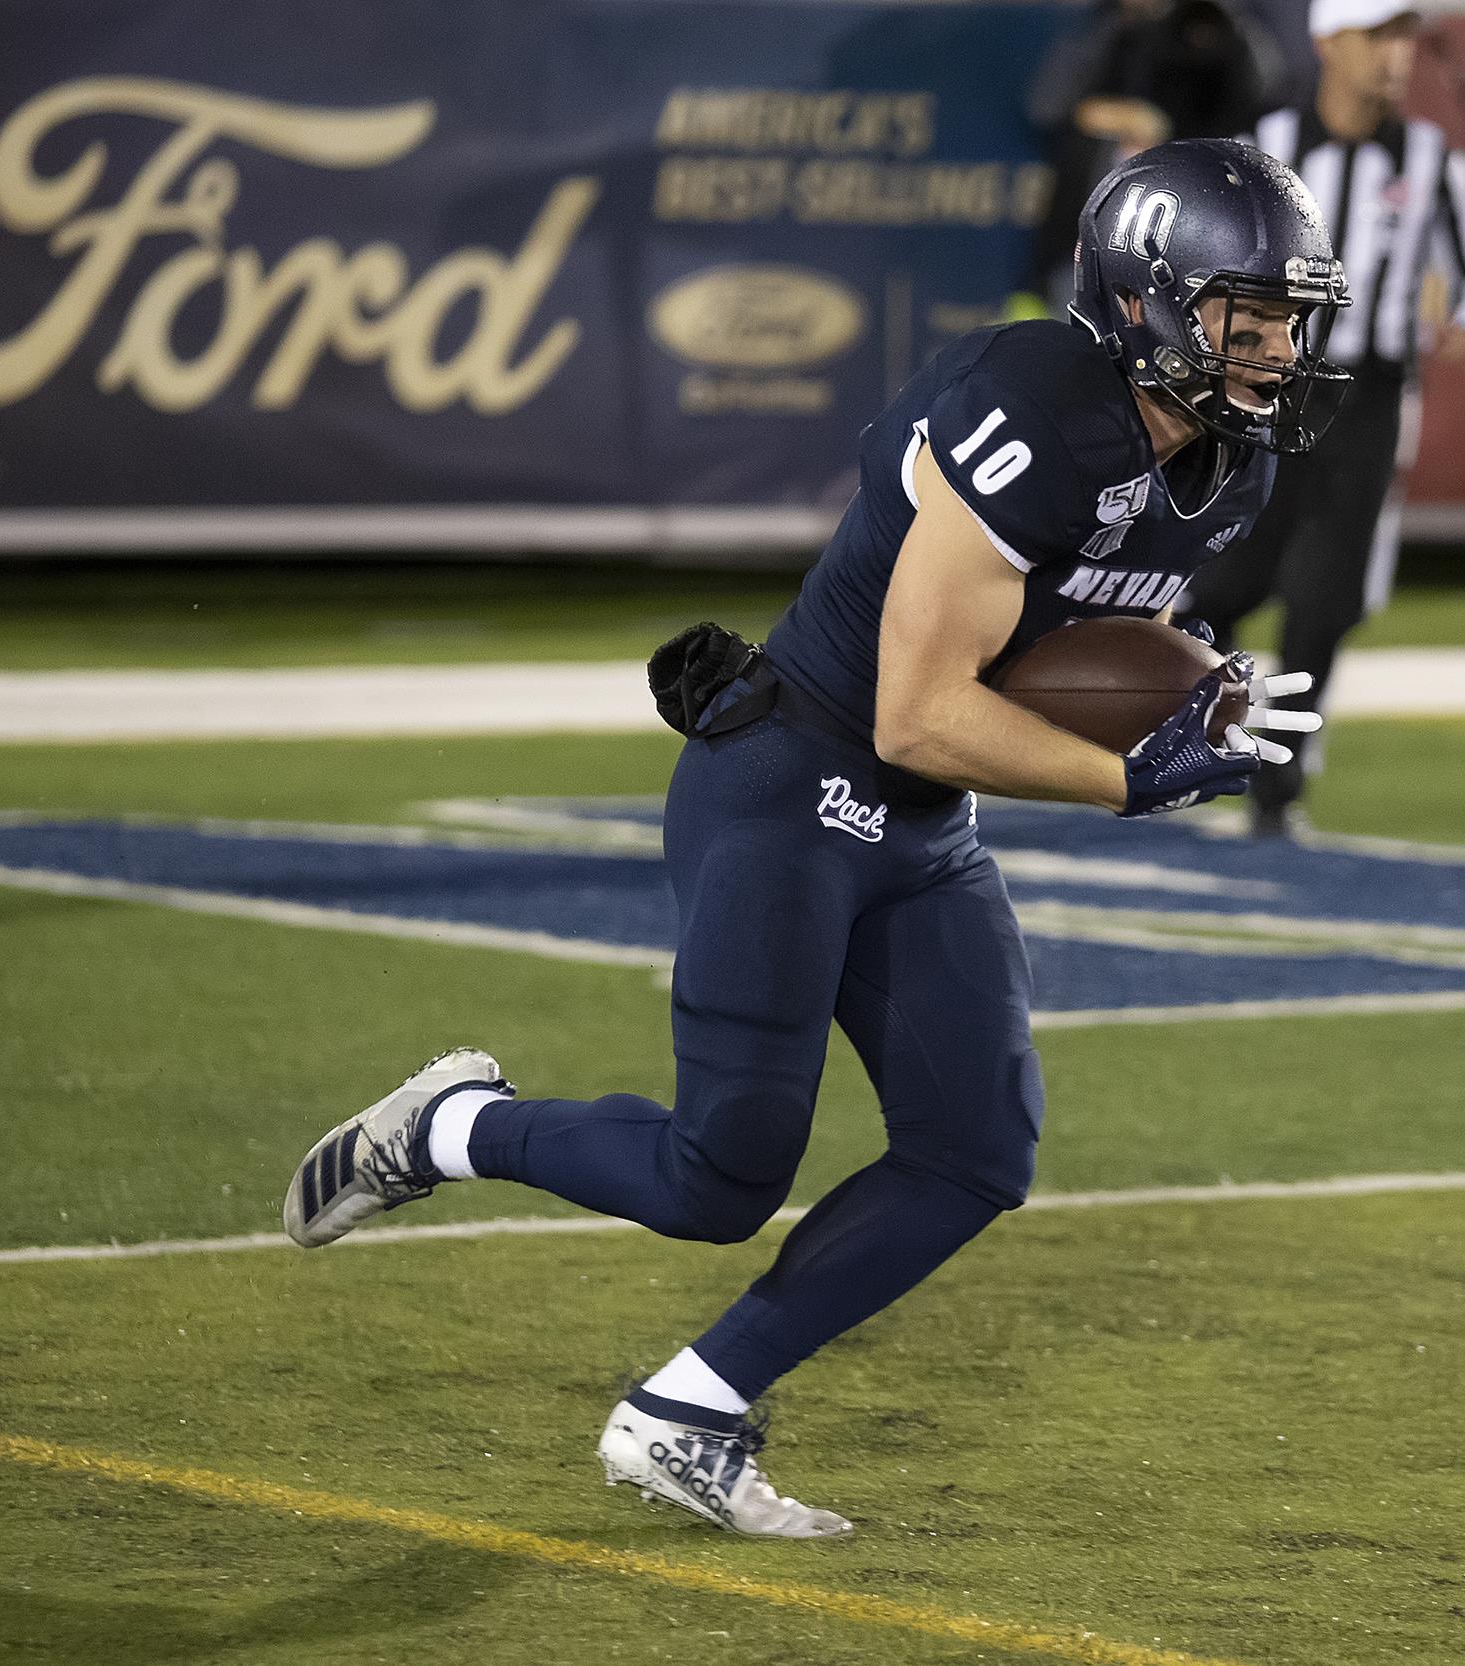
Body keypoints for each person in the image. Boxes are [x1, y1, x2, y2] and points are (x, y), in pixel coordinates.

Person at [280, 139, 1351, 1540]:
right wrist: (1129, 779)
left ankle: (686, 1408)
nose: (1275, 351)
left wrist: (1189, 674)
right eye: (1245, 317)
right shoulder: (1039, 406)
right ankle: (452, 1127)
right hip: (793, 783)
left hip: (916, 822)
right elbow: (916, 712)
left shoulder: (1226, 469)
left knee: (976, 1147)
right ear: (1149, 303)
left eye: (1290, 320)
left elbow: (1066, 623)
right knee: (717, 1178)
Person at [1176, 0, 1465, 837]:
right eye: (1376, 36)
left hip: (1366, 399)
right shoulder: (1267, 145)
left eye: (1403, 38)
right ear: (1328, 41)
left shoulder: (1430, 158)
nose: (1395, 57)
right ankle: (1176, 734)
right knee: (1223, 581)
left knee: (1325, 602)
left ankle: (1279, 787)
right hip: (1263, 390)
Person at [1022, 0, 1286, 310]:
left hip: (1189, 234)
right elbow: (1046, 106)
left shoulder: (1232, 31)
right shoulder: (1109, 31)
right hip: (1087, 239)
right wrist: (1120, 115)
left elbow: (1270, 94)